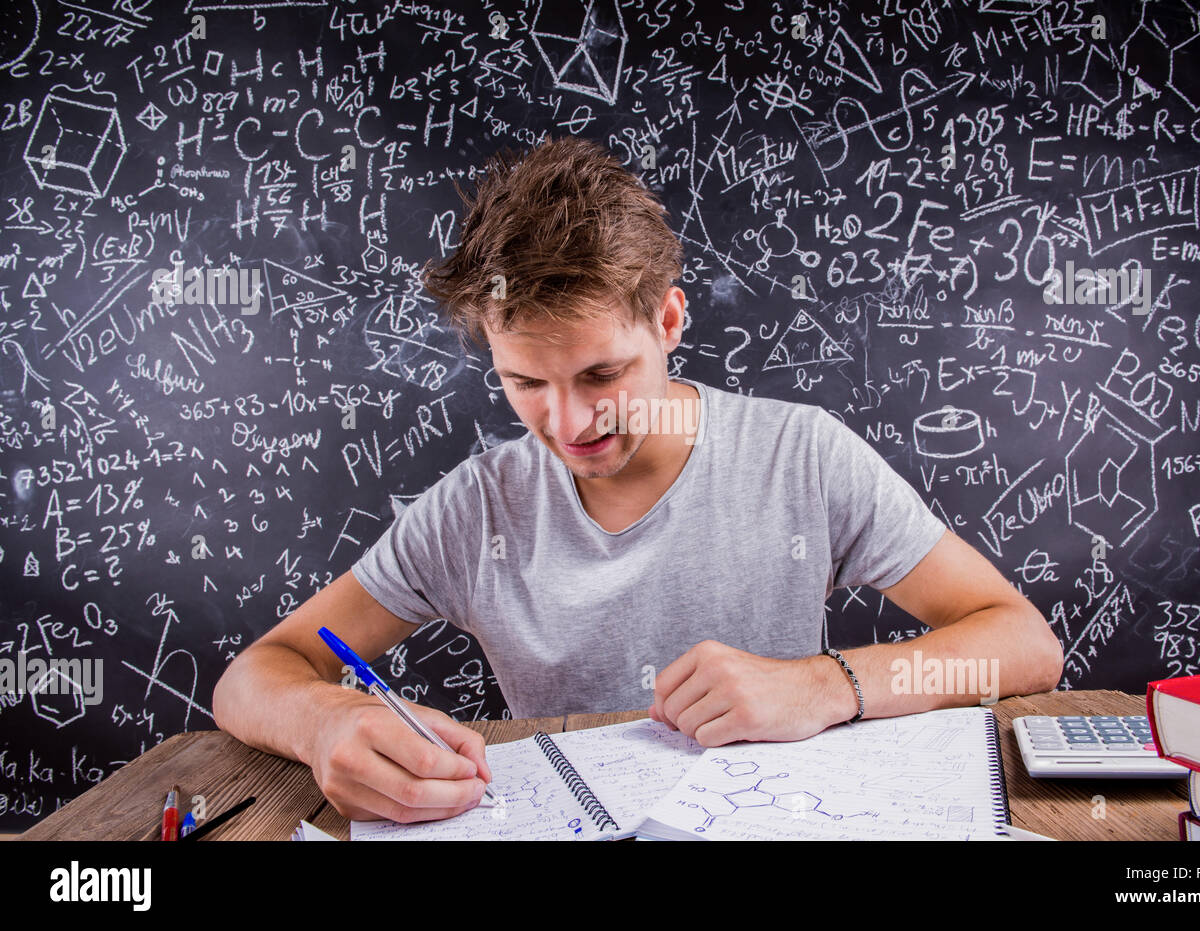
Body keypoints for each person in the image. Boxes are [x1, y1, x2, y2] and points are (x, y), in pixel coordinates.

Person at [213, 134, 1063, 825]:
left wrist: (825, 684)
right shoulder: (477, 509)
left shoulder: (801, 455)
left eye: (600, 375)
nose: (571, 425)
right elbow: (257, 674)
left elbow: (1023, 643)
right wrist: (328, 720)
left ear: (667, 317)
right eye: (526, 384)